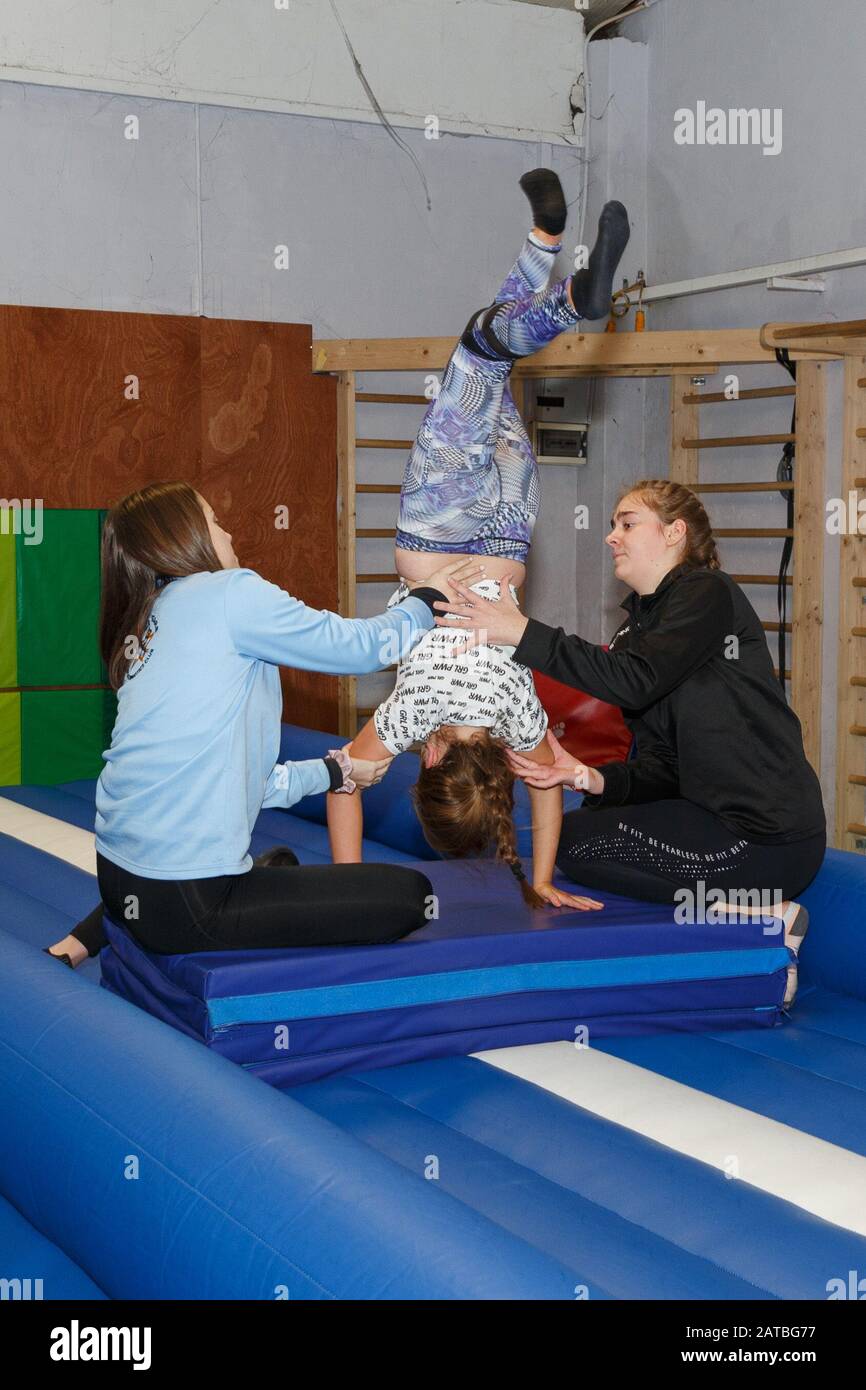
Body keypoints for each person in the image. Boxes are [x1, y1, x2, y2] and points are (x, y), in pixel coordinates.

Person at [327, 170, 630, 908]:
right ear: (428, 759)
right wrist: (349, 887)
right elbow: (343, 785)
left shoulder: (520, 725)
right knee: (478, 354)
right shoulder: (408, 720)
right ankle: (571, 296)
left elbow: (551, 791)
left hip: (507, 537)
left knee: (491, 360)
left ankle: (547, 238)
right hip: (436, 531)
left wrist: (542, 877)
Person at [44, 481, 483, 967]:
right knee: (410, 895)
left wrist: (336, 773)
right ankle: (241, 894)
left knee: (270, 864)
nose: (228, 532)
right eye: (214, 521)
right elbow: (362, 650)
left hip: (120, 880)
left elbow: (231, 779)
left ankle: (85, 939)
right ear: (182, 537)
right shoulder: (229, 594)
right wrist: (427, 599)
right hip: (186, 902)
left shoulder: (149, 618)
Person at [433, 478, 827, 999]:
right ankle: (742, 907)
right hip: (711, 818)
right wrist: (589, 776)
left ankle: (765, 916)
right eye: (613, 525)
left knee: (581, 840)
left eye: (627, 523)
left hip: (767, 835)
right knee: (581, 834)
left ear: (675, 532)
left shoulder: (707, 593)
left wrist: (521, 631)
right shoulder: (638, 627)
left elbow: (634, 678)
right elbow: (665, 765)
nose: (611, 537)